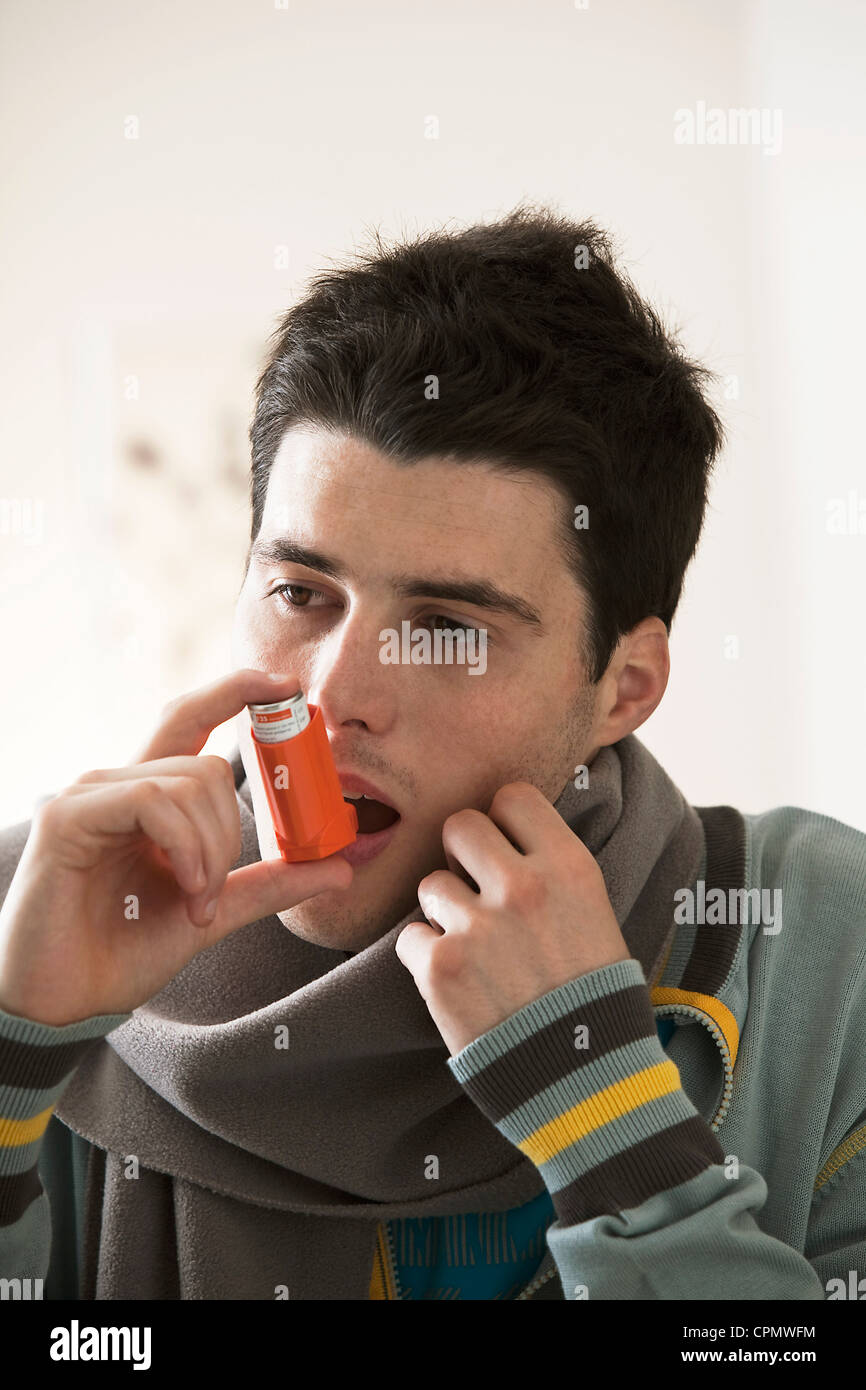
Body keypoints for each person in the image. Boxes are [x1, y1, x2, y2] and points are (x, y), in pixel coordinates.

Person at [1, 204, 864, 1302]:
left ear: (623, 685)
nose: (332, 696)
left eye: (448, 629)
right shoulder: (34, 915)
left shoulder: (821, 948)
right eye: (299, 593)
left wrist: (610, 1124)